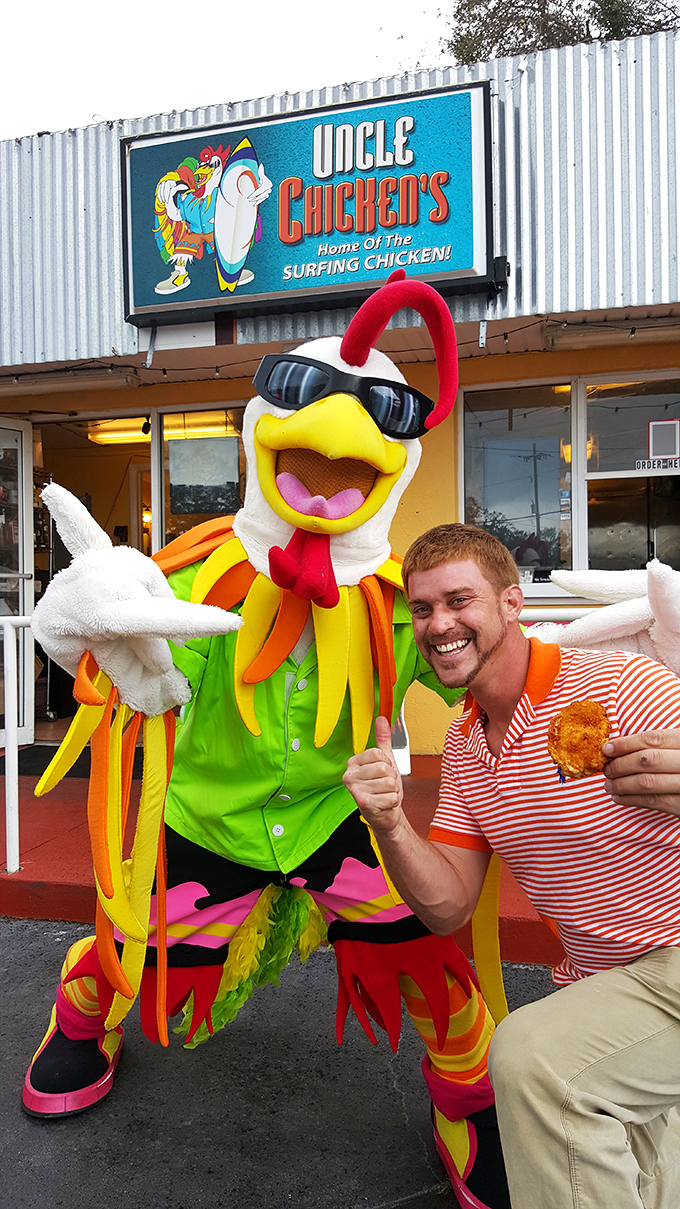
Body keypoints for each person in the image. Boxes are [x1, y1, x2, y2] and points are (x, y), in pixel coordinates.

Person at [343, 522, 680, 1209]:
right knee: (645, 1180)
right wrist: (389, 823)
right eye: (423, 608)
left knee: (533, 1060)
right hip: (605, 992)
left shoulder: (622, 684)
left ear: (511, 603)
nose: (440, 624)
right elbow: (447, 905)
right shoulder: (465, 746)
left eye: (458, 600)